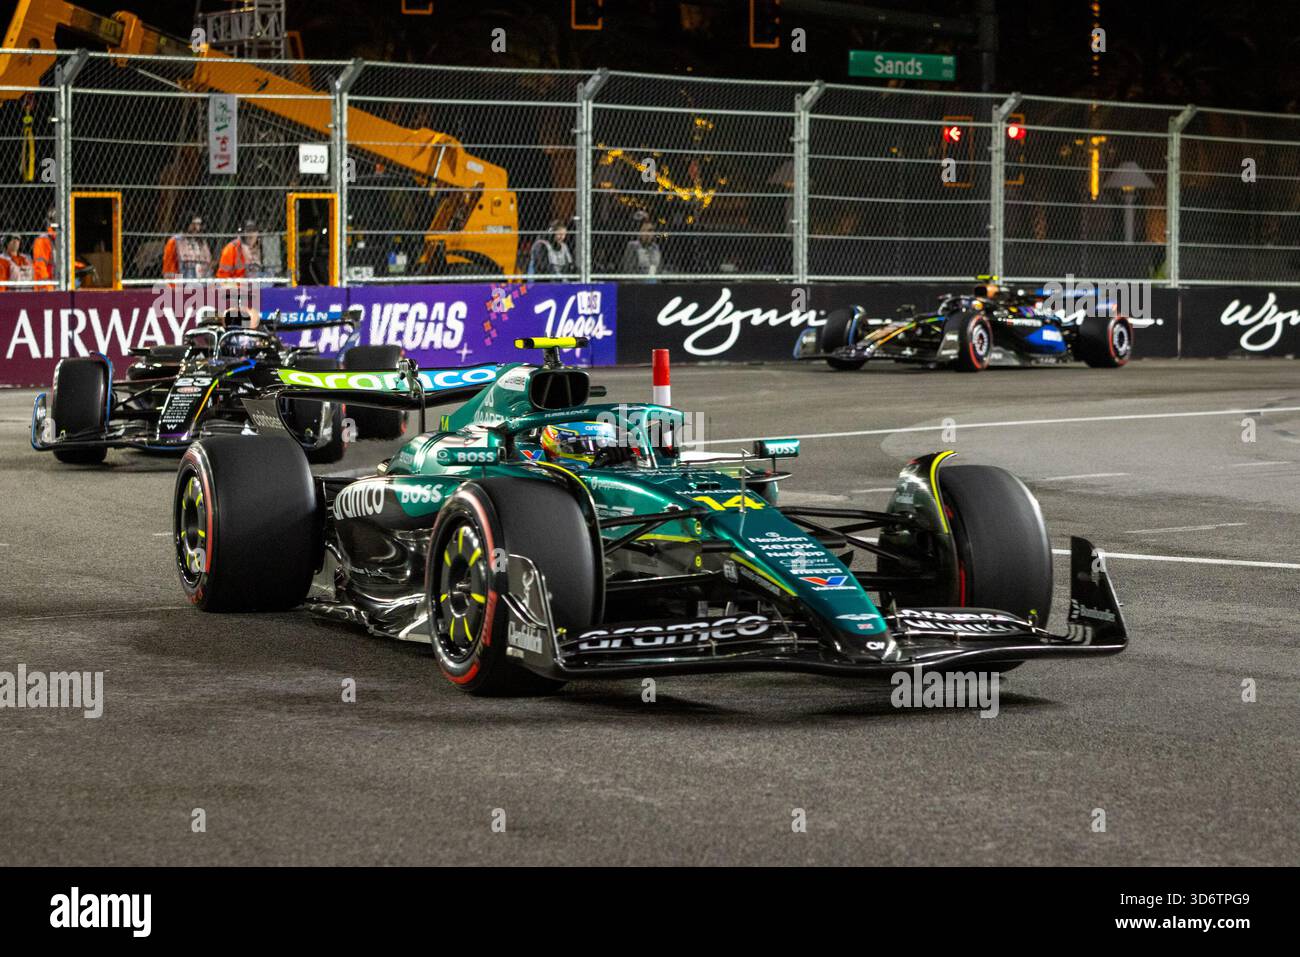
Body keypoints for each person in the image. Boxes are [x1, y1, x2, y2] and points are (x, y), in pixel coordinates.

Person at [163, 213, 212, 281]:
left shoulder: (202, 242)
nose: (197, 228)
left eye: (199, 224)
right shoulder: (175, 241)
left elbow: (208, 266)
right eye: (193, 224)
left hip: (203, 285)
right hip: (183, 285)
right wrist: (177, 287)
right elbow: (169, 268)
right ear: (186, 223)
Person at [32, 210, 57, 290]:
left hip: (57, 285)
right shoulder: (43, 240)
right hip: (45, 289)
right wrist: (48, 287)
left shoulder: (59, 240)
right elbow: (40, 266)